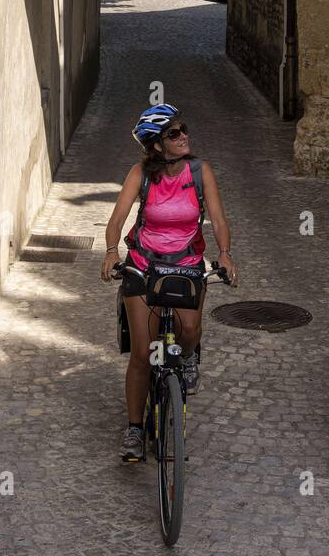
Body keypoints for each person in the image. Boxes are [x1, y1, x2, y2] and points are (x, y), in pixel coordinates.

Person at [101, 103, 236, 462]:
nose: (184, 136)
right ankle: (133, 428)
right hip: (144, 265)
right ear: (158, 145)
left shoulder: (199, 171)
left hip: (186, 264)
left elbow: (219, 219)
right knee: (144, 353)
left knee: (189, 330)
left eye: (183, 129)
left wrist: (224, 253)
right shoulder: (140, 174)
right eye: (174, 133)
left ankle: (188, 360)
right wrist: (112, 250)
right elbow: (117, 218)